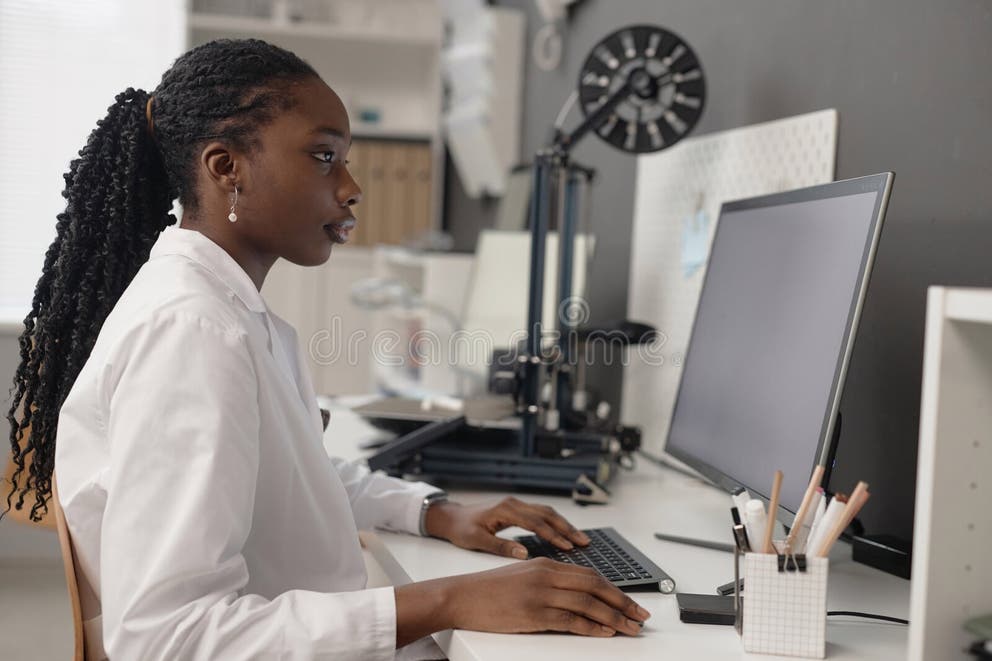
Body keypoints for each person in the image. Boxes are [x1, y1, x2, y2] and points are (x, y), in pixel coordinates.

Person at [3, 38, 650, 659]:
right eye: (322, 157)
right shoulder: (193, 332)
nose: (351, 186)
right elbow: (167, 637)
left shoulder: (225, 311)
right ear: (226, 167)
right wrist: (447, 597)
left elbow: (284, 477)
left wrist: (435, 513)